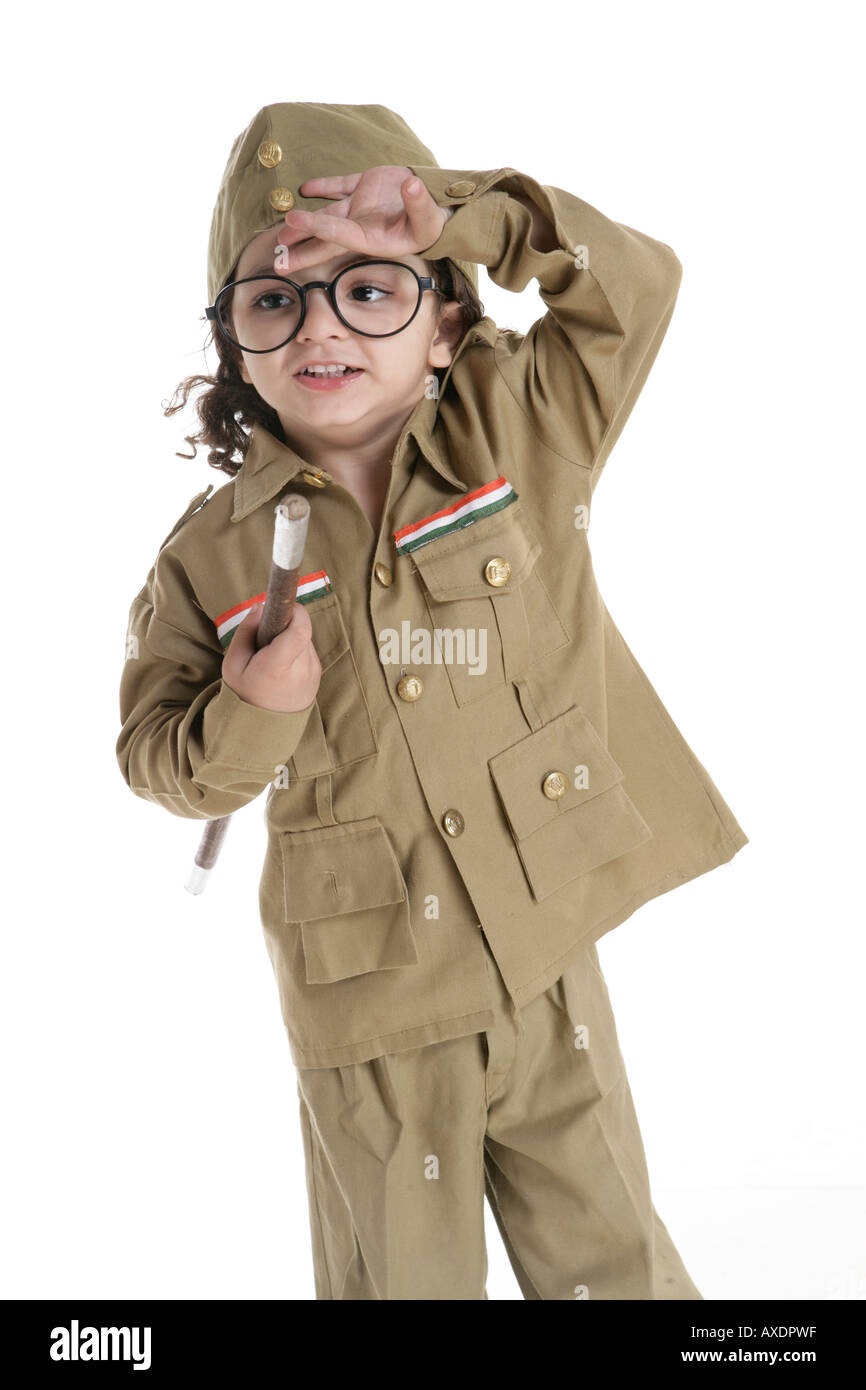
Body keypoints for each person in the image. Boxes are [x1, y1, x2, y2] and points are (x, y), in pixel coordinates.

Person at [116, 102, 748, 1300]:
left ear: (448, 321)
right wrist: (253, 708)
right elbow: (159, 758)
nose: (321, 324)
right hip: (369, 1010)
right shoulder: (206, 559)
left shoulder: (524, 429)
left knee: (616, 1268)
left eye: (370, 288)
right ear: (234, 347)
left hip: (542, 957)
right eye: (274, 298)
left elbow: (636, 286)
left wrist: (460, 208)